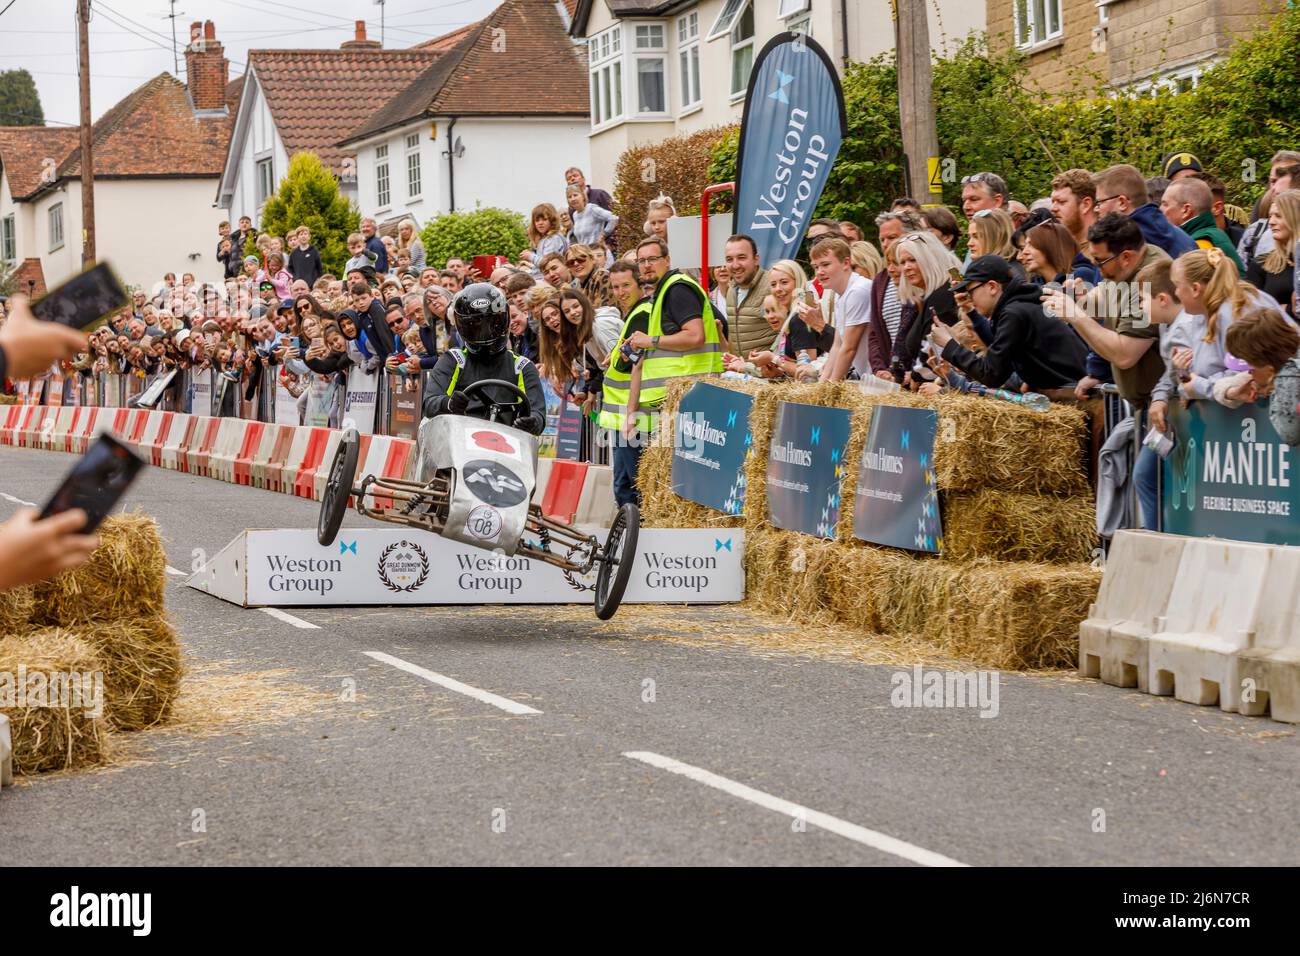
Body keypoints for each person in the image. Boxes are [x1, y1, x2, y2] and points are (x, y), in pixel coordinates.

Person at [932, 255, 1088, 392]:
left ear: (992, 287)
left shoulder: (1014, 313)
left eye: (971, 291)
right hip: (1070, 393)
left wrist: (949, 344)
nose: (969, 297)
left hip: (1076, 395)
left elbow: (992, 374)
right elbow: (998, 347)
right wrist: (971, 310)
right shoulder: (1018, 305)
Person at [421, 283, 545, 434]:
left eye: (492, 324)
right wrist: (449, 404)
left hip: (506, 445)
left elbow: (537, 414)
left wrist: (531, 423)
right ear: (461, 326)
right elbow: (429, 403)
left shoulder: (522, 366)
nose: (484, 332)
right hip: (457, 443)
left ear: (504, 320)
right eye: (475, 326)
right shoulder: (453, 360)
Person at [599, 261, 656, 507]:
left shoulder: (642, 312)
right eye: (615, 287)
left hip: (633, 411)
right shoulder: (633, 312)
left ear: (639, 284)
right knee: (623, 484)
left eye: (626, 285)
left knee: (634, 484)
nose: (621, 292)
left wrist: (631, 414)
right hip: (623, 410)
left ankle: (641, 538)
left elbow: (633, 363)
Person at [891, 232, 964, 380]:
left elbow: (935, 351)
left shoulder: (943, 296)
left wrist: (917, 377)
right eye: (903, 262)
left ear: (930, 260)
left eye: (912, 260)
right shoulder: (933, 296)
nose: (906, 267)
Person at [1223, 305, 1300, 443]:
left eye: (1249, 364)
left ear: (1269, 367)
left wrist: (1276, 385)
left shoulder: (1289, 375)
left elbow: (1289, 433)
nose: (1249, 372)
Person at [1093, 163, 1197, 259]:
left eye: (1099, 202)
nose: (1096, 209)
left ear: (1122, 203)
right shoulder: (1179, 234)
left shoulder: (1124, 244)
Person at [812, 236, 875, 381]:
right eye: (816, 267)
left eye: (825, 265)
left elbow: (848, 348)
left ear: (846, 263)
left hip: (877, 378)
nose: (819, 272)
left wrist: (830, 389)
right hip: (866, 376)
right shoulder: (842, 295)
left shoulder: (857, 290)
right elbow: (837, 345)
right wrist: (822, 385)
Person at [1159, 177, 1245, 274]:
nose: (1160, 210)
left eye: (1165, 204)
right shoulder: (1212, 234)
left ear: (1186, 210)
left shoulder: (1199, 245)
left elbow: (1196, 287)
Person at [1243, 188, 1299, 316]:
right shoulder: (1261, 264)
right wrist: (1284, 310)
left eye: (1278, 216)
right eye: (1270, 216)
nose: (1271, 222)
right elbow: (1247, 311)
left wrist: (1287, 309)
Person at [722, 234, 771, 358]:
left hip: (771, 374)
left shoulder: (773, 285)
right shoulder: (731, 291)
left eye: (741, 257)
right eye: (729, 259)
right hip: (742, 374)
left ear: (756, 259)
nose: (735, 265)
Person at [1050, 168, 1098, 256]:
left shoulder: (1105, 252)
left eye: (1061, 202)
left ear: (1086, 205)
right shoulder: (1057, 250)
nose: (1053, 208)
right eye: (1052, 202)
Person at [967, 209, 1024, 278]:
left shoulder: (1009, 275)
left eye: (977, 237)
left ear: (997, 237)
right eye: (969, 237)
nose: (969, 243)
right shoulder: (987, 270)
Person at [566, 183, 618, 248]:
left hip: (598, 252)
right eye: (569, 197)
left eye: (575, 195)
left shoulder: (591, 209)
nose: (573, 199)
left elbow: (613, 218)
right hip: (586, 254)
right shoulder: (575, 215)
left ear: (582, 196)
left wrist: (603, 235)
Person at [522, 203, 568, 269]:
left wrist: (530, 256)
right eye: (537, 220)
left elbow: (548, 263)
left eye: (544, 219)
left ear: (552, 221)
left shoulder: (553, 238)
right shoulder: (544, 239)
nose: (540, 223)